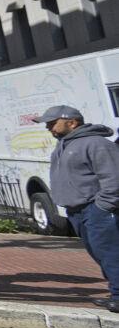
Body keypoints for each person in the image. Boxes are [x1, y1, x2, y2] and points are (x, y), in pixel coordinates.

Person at [43, 104, 119, 313]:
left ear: (72, 122)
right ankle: (115, 292)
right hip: (76, 211)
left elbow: (113, 178)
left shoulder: (96, 144)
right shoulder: (63, 145)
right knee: (99, 253)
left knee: (110, 252)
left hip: (96, 209)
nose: (48, 128)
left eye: (52, 123)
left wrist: (103, 206)